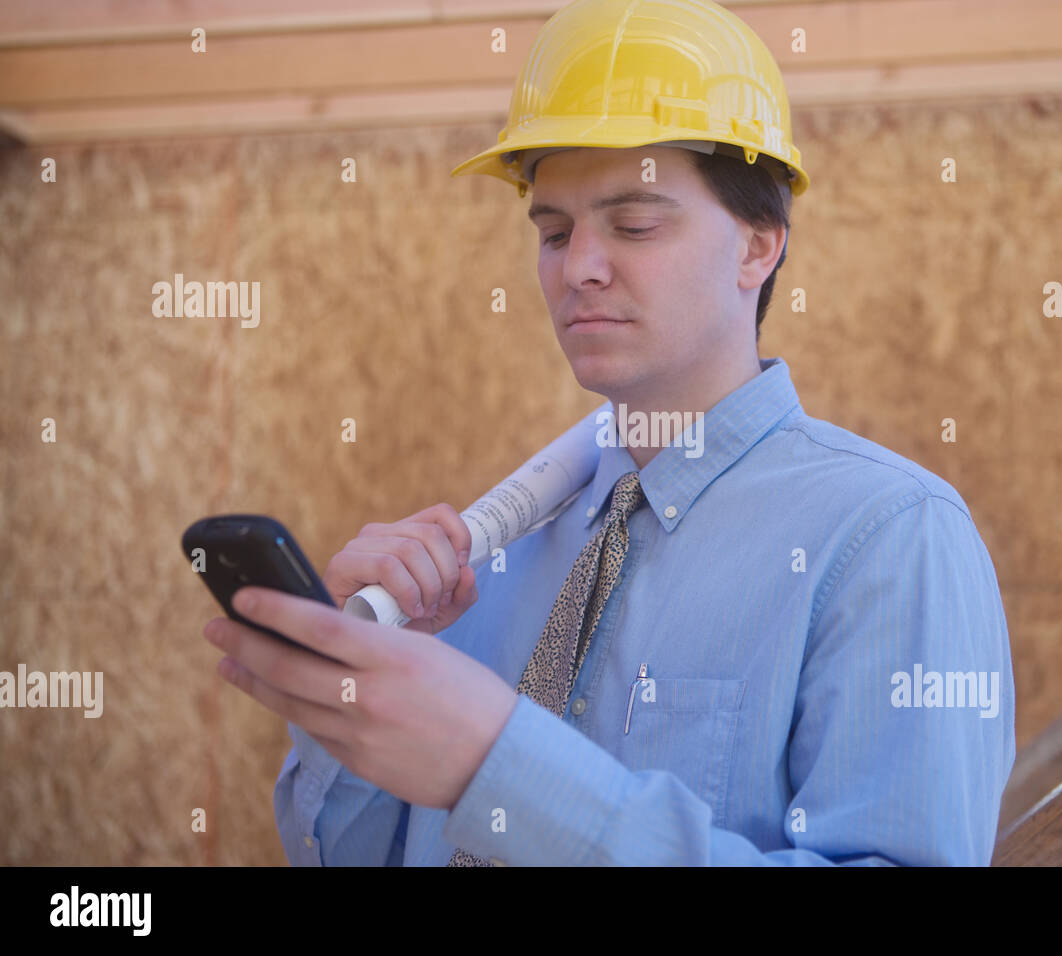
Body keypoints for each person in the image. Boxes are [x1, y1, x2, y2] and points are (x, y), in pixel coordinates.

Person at [253, 0, 1015, 865]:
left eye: (635, 224)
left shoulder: (890, 537)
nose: (579, 266)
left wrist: (497, 767)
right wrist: (348, 697)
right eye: (553, 231)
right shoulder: (480, 565)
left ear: (758, 247)